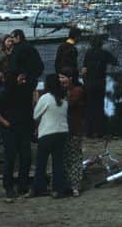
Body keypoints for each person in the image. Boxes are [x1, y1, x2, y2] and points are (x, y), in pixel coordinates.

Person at [0, 73, 34, 201]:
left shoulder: (24, 91)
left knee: (26, 157)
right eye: (21, 78)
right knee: (10, 158)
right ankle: (9, 187)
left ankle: (22, 185)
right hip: (10, 130)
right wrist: (5, 122)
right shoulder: (3, 92)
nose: (23, 81)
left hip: (23, 128)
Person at [32, 73, 70, 197]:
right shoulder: (64, 99)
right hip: (63, 132)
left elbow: (35, 115)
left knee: (41, 162)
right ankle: (58, 189)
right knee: (58, 162)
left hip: (47, 133)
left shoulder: (45, 97)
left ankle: (39, 188)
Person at [82, 35, 117, 138]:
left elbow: (84, 70)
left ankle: (89, 131)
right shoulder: (104, 53)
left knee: (89, 107)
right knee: (99, 107)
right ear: (101, 44)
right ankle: (100, 131)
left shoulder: (88, 53)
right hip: (100, 82)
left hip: (89, 83)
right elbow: (115, 62)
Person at [61, 68, 86, 196]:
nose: (61, 80)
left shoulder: (77, 91)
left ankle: (75, 185)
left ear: (70, 78)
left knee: (75, 157)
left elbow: (68, 105)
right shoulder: (65, 91)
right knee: (66, 158)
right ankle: (67, 184)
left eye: (63, 77)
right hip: (64, 128)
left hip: (74, 128)